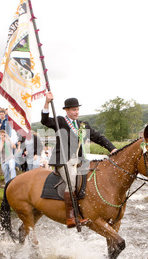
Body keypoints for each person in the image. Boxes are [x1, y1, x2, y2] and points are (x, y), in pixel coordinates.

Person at [41, 92, 118, 228]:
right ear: (66, 110)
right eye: (73, 110)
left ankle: (90, 209)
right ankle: (71, 217)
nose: (76, 112)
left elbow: (98, 137)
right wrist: (47, 102)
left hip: (80, 160)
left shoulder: (83, 124)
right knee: (71, 183)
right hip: (63, 160)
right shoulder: (60, 121)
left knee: (96, 177)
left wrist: (112, 149)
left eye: (77, 109)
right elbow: (45, 121)